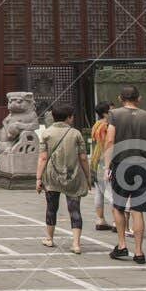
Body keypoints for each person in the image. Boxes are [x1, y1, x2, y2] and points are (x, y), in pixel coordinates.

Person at [103, 85, 146, 264]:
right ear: (139, 98)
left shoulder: (115, 115)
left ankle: (122, 245)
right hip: (144, 166)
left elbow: (110, 140)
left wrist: (107, 167)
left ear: (120, 98)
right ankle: (139, 251)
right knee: (138, 210)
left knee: (118, 206)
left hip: (121, 165)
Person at [36, 103, 91, 254]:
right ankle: (76, 243)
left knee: (51, 207)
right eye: (72, 116)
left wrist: (38, 179)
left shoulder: (46, 134)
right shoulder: (76, 134)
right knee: (74, 210)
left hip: (52, 176)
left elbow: (42, 158)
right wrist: (88, 176)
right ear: (68, 118)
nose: (73, 118)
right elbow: (83, 158)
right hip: (73, 176)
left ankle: (49, 238)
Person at [88, 100, 113, 231]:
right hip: (106, 159)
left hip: (96, 159)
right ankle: (116, 221)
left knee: (99, 191)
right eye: (111, 110)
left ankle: (100, 219)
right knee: (113, 191)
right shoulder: (107, 126)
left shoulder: (96, 125)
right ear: (105, 113)